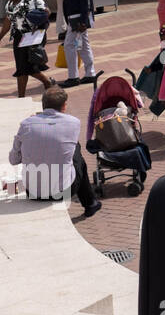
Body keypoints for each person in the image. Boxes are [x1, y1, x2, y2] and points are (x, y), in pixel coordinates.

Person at [9, 85, 100, 217]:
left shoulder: (26, 124)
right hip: (63, 191)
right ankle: (90, 204)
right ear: (64, 105)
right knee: (76, 151)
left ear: (43, 105)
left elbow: (13, 160)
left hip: (33, 192)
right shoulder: (73, 123)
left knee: (55, 148)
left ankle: (90, 203)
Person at [0, 0, 56, 97]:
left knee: (28, 66)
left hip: (34, 36)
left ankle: (45, 83)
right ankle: (27, 94)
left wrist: (37, 21)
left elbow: (47, 12)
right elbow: (8, 21)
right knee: (22, 67)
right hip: (19, 37)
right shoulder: (10, 5)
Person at [59, 0, 96, 88]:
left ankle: (73, 76)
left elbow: (85, 1)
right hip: (76, 18)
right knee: (83, 45)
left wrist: (83, 21)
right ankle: (90, 73)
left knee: (69, 45)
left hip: (78, 19)